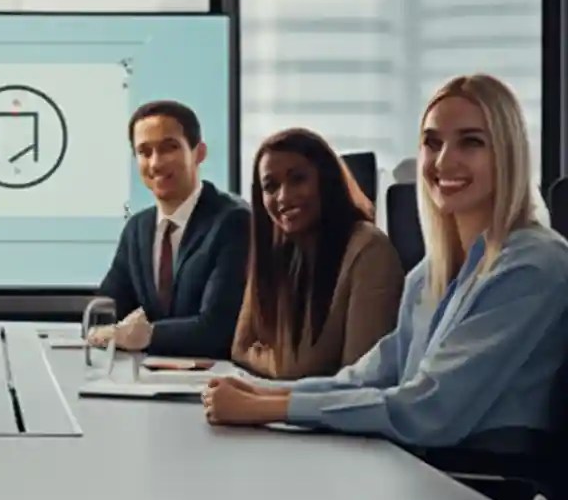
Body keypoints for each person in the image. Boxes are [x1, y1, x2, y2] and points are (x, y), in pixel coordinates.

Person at [204, 74, 568, 451]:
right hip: (421, 469)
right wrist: (263, 393)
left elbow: (428, 409)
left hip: (482, 488)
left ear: (507, 153)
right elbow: (367, 378)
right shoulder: (428, 276)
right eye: (432, 142)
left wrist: (272, 407)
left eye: (471, 142)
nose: (444, 160)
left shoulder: (533, 266)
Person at [230, 128, 402, 380]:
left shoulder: (369, 251)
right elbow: (240, 347)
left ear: (326, 179)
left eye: (298, 179)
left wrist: (278, 366)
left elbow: (362, 381)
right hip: (285, 409)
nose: (284, 197)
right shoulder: (279, 251)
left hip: (335, 415)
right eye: (271, 186)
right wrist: (282, 367)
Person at [87, 100, 251, 358]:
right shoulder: (138, 228)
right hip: (147, 380)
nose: (155, 164)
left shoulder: (234, 222)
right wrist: (104, 329)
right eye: (144, 152)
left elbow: (219, 329)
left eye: (169, 148)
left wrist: (145, 335)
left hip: (216, 384)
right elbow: (105, 312)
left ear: (199, 153)